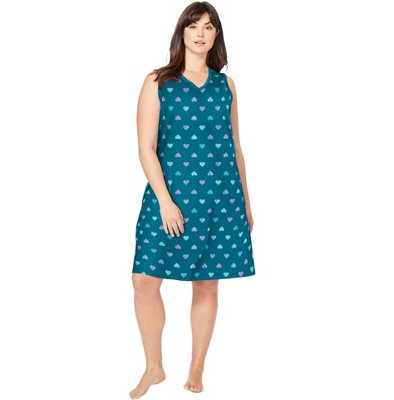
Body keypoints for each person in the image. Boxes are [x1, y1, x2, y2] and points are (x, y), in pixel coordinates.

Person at [130, 2, 255, 398]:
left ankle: (197, 366)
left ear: (217, 35)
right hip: (169, 198)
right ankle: (154, 366)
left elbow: (235, 147)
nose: (201, 33)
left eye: (209, 26)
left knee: (206, 284)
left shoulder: (226, 86)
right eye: (193, 25)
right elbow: (146, 148)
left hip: (220, 198)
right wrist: (165, 202)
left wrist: (246, 203)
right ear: (181, 32)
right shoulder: (157, 81)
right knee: (144, 280)